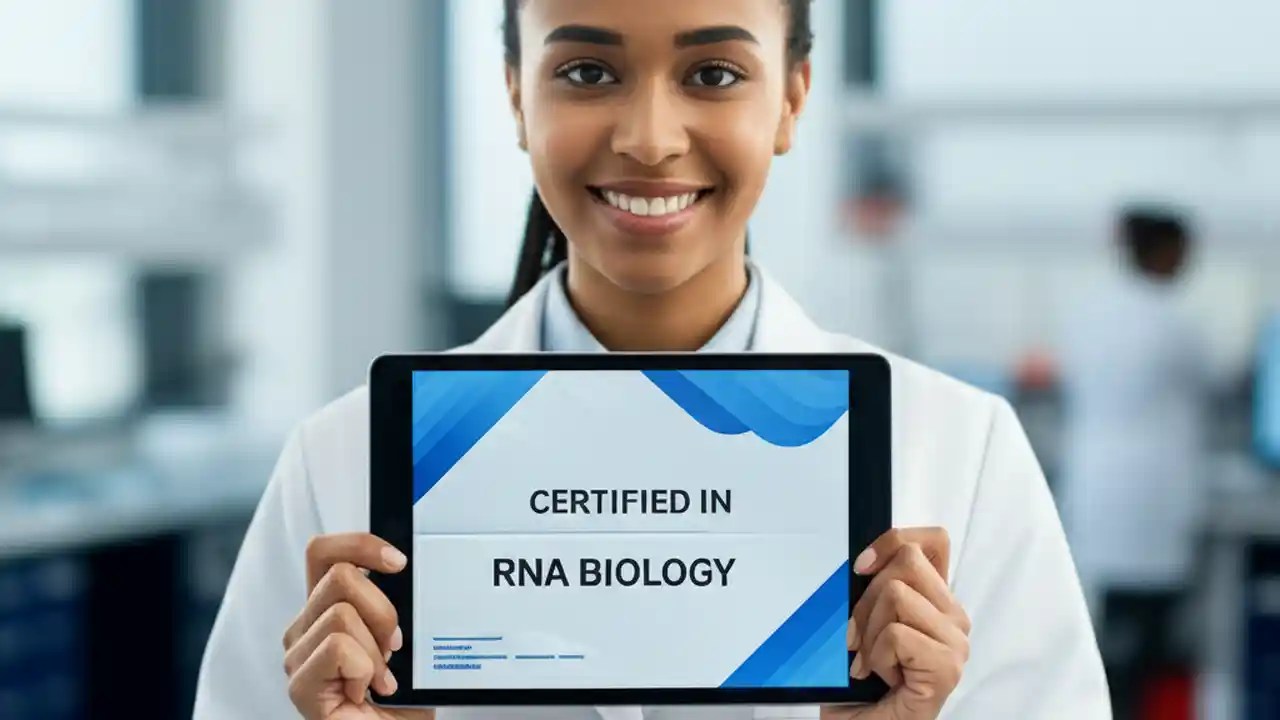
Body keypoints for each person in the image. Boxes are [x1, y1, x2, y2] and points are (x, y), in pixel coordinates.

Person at [194, 2, 1108, 718]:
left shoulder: (958, 454)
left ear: (792, 99)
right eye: (587, 72)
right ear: (516, 95)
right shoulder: (341, 462)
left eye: (713, 74)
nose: (650, 138)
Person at [1060, 206, 1209, 717]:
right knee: (1149, 637)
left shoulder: (1090, 312)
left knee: (1107, 631)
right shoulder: (1176, 322)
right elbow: (1214, 381)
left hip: (1098, 483)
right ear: (1164, 251)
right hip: (1154, 491)